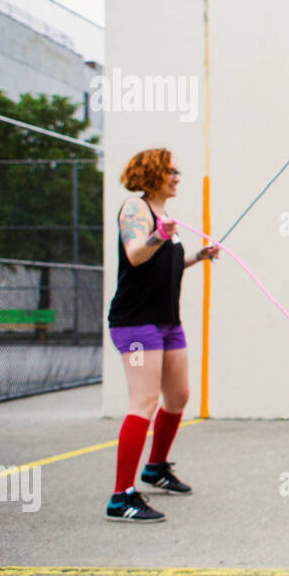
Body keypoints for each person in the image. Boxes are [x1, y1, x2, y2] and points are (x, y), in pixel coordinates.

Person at [105, 148, 219, 522]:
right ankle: (121, 497)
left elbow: (164, 262)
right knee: (144, 401)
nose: (177, 176)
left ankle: (154, 469)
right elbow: (137, 255)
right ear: (153, 173)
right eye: (171, 171)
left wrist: (198, 256)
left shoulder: (164, 216)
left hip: (168, 321)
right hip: (137, 323)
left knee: (179, 396)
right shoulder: (136, 209)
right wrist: (157, 235)